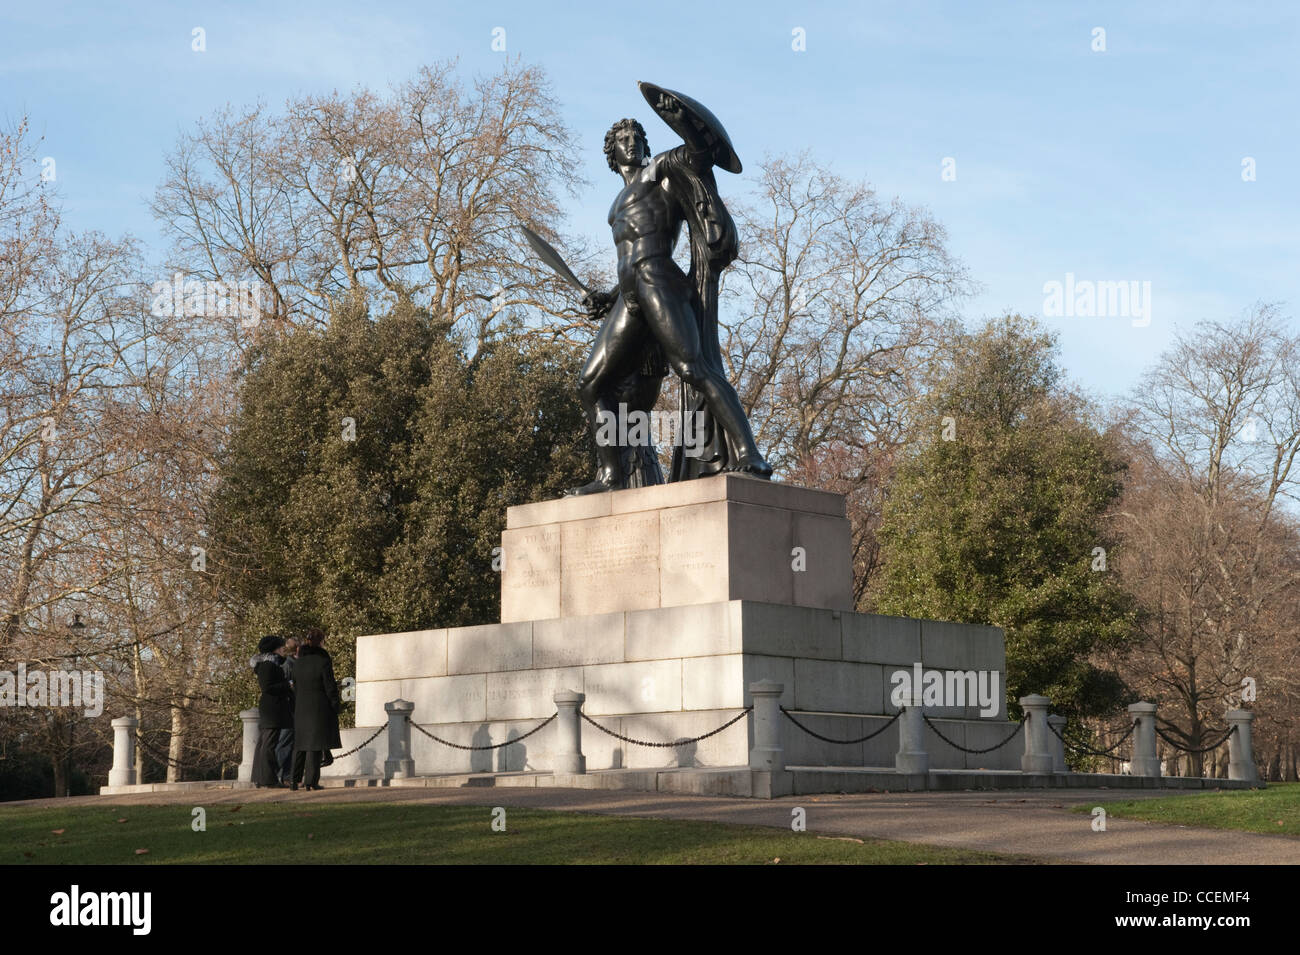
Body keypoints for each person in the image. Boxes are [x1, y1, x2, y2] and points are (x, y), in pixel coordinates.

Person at [569, 89, 772, 495]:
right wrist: (607, 297)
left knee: (694, 368)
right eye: (623, 139)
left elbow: (701, 152)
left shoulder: (660, 171)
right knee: (589, 385)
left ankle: (750, 453)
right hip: (629, 295)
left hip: (660, 279)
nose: (632, 143)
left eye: (637, 137)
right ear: (612, 154)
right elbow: (626, 257)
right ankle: (610, 477)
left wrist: (677, 116)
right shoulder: (615, 204)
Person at [291, 627, 340, 791]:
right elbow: (329, 686)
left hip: (301, 707)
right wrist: (335, 703)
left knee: (300, 745)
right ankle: (311, 781)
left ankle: (294, 780)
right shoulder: (323, 661)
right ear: (321, 642)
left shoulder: (298, 663)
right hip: (318, 707)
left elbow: (296, 686)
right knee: (314, 745)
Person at [250, 635, 292, 788]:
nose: (283, 650)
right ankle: (268, 778)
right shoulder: (268, 665)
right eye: (281, 647)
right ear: (275, 649)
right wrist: (287, 685)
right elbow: (267, 687)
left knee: (266, 743)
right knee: (269, 744)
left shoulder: (269, 665)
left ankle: (262, 777)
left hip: (273, 708)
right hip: (272, 709)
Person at [273, 637, 298, 785]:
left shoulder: (291, 664)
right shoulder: (288, 665)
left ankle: (287, 776)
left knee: (289, 744)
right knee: (284, 743)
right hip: (289, 709)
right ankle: (279, 773)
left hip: (293, 709)